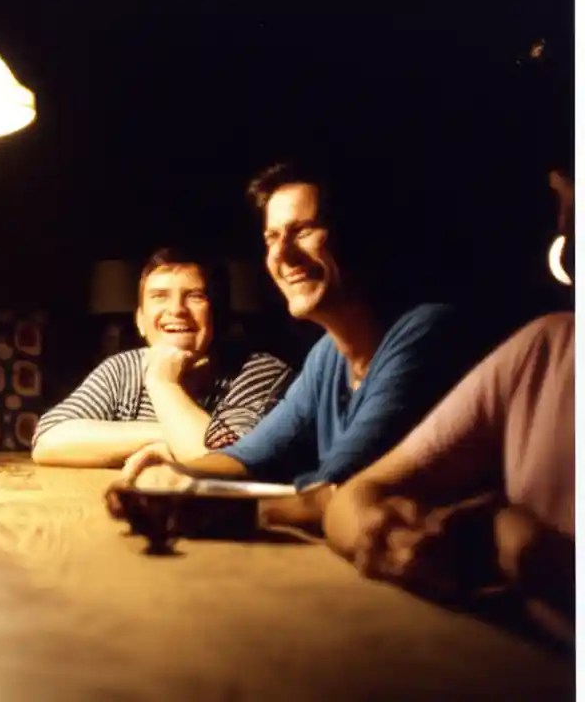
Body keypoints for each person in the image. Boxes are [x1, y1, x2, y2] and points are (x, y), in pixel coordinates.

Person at [115, 162, 486, 528]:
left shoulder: (426, 335)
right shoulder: (328, 356)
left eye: (303, 230)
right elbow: (249, 457)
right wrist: (177, 474)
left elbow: (338, 487)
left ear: (351, 234)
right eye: (271, 238)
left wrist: (196, 503)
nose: (281, 255)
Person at [323, 313, 573, 642]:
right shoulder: (551, 346)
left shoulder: (424, 332)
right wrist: (388, 535)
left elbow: (334, 474)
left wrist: (536, 554)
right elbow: (352, 494)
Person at [32, 247, 294, 467]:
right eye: (159, 297)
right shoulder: (125, 368)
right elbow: (49, 439)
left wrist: (162, 383)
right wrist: (170, 437)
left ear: (218, 316)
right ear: (140, 321)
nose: (176, 310)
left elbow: (222, 459)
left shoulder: (260, 372)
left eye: (195, 296)